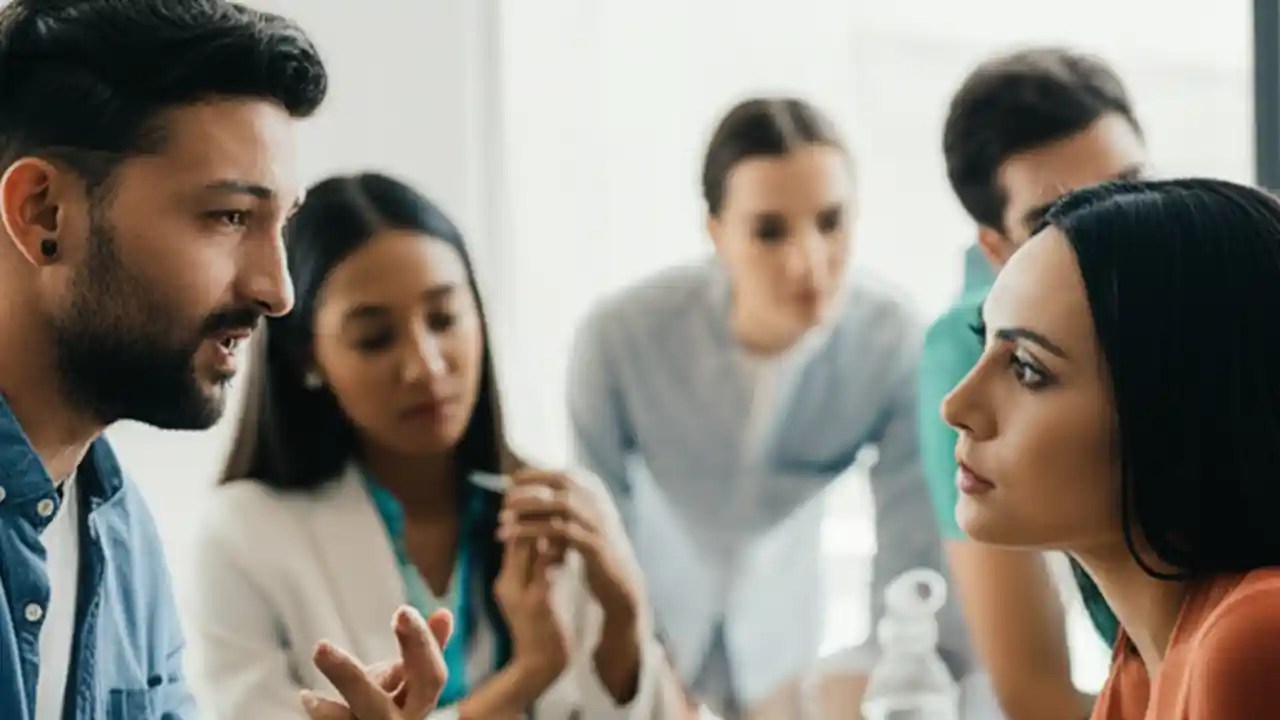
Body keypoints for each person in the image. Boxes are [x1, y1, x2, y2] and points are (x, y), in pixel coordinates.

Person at [0, 2, 445, 719]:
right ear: (44, 213)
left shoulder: (121, 533)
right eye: (230, 217)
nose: (278, 292)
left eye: (283, 223)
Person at [196, 172, 679, 720]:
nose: (426, 365)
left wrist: (624, 615)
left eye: (445, 318)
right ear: (308, 358)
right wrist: (527, 676)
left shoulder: (563, 513)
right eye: (376, 338)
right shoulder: (243, 536)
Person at [567, 97, 969, 718]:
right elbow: (594, 532)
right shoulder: (618, 338)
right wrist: (643, 665)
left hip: (789, 635)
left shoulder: (891, 343)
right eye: (769, 230)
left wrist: (866, 675)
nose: (807, 262)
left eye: (831, 222)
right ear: (716, 234)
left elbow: (911, 565)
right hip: (645, 612)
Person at [943, 177, 1280, 719]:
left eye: (1028, 369)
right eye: (985, 344)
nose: (956, 406)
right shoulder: (1139, 668)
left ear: (1175, 410)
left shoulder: (1255, 637)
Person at [918, 48, 1147, 718]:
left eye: (1134, 185)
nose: (1121, 232)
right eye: (1063, 219)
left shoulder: (1228, 277)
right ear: (996, 251)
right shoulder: (965, 353)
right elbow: (1034, 690)